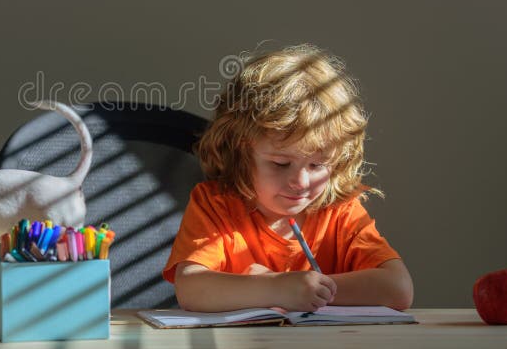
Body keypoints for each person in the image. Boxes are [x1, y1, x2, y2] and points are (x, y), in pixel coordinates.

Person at [163, 43, 414, 312]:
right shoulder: (216, 206)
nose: (301, 183)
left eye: (318, 165)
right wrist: (277, 289)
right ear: (241, 151)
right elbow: (191, 289)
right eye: (281, 164)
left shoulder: (340, 212)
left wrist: (309, 290)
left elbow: (398, 289)